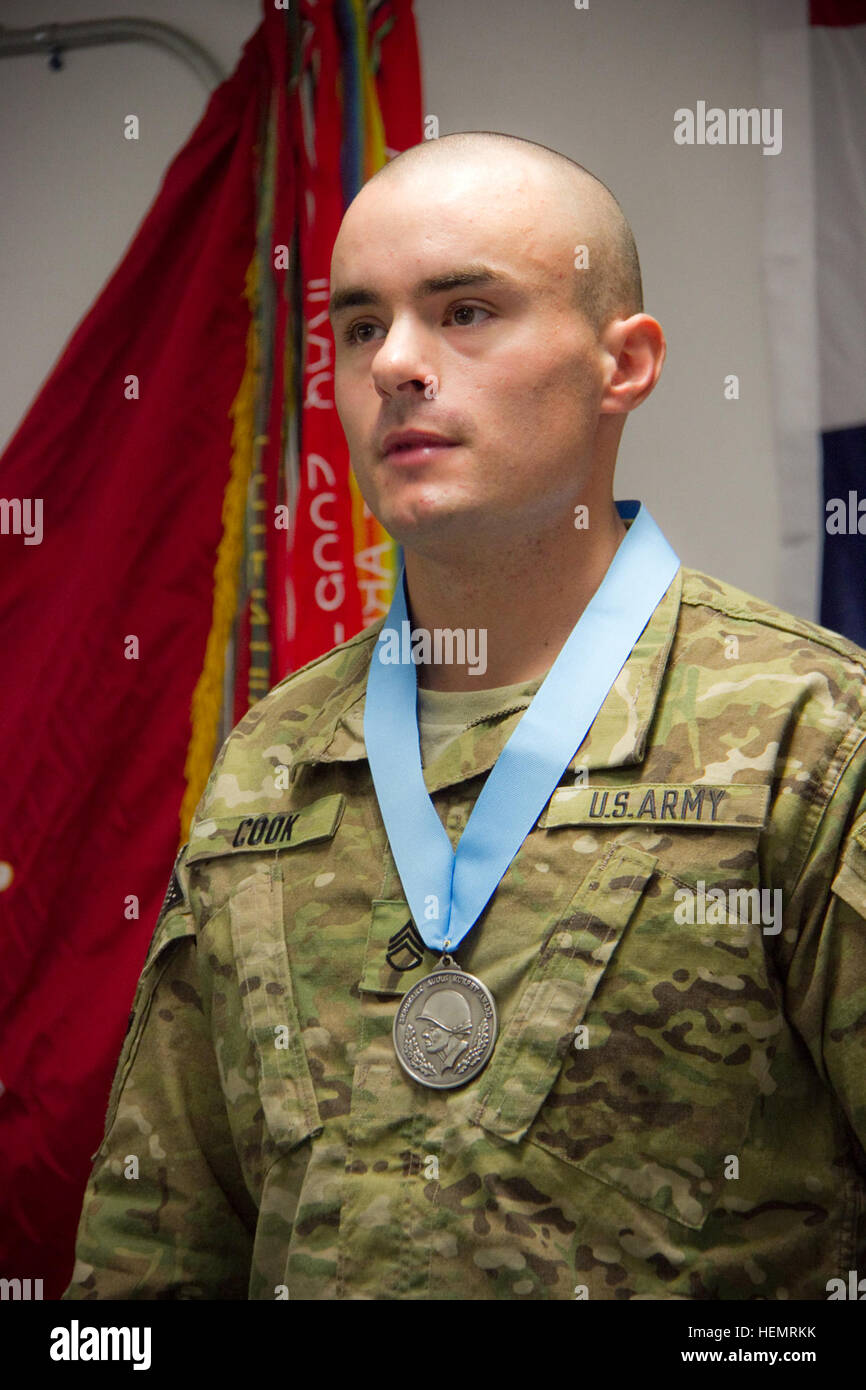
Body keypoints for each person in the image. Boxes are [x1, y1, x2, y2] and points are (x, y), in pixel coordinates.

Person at [63, 131, 866, 1301]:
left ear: (621, 363)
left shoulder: (811, 736)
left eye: (466, 311)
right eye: (358, 326)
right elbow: (156, 1246)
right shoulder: (272, 762)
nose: (395, 363)